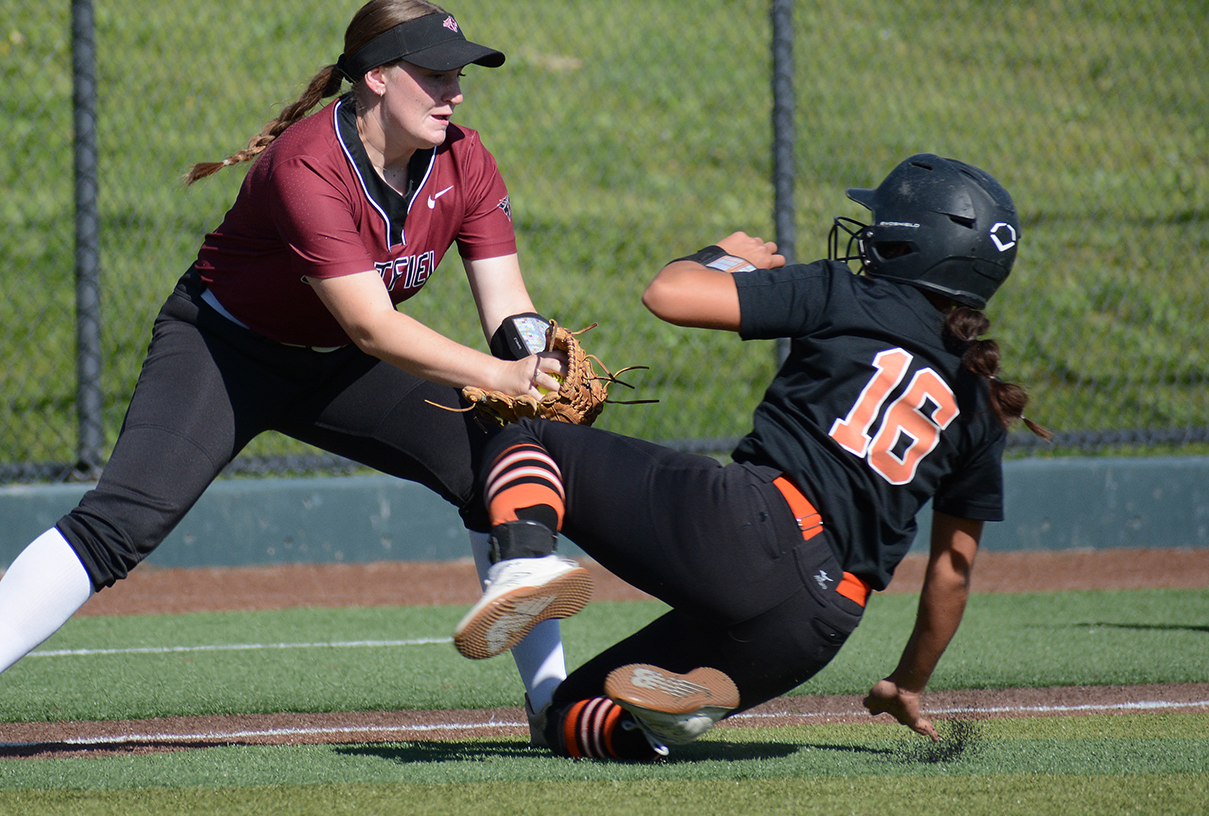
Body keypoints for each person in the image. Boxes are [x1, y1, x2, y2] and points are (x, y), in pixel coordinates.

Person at [0, 0, 577, 764]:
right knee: (123, 522)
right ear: (378, 78)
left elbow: (508, 307)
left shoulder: (465, 158)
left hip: (343, 370)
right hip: (225, 348)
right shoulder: (309, 162)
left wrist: (535, 359)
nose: (456, 92)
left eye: (462, 75)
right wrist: (500, 374)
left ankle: (552, 705)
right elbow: (371, 324)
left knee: (498, 462)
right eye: (437, 74)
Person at [450, 154, 1051, 759]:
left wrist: (723, 255)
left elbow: (668, 295)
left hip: (752, 531)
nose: (868, 239)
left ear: (911, 243)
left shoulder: (847, 294)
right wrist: (908, 681)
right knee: (571, 722)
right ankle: (672, 712)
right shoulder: (981, 401)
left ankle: (525, 563)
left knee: (528, 433)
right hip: (818, 623)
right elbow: (952, 569)